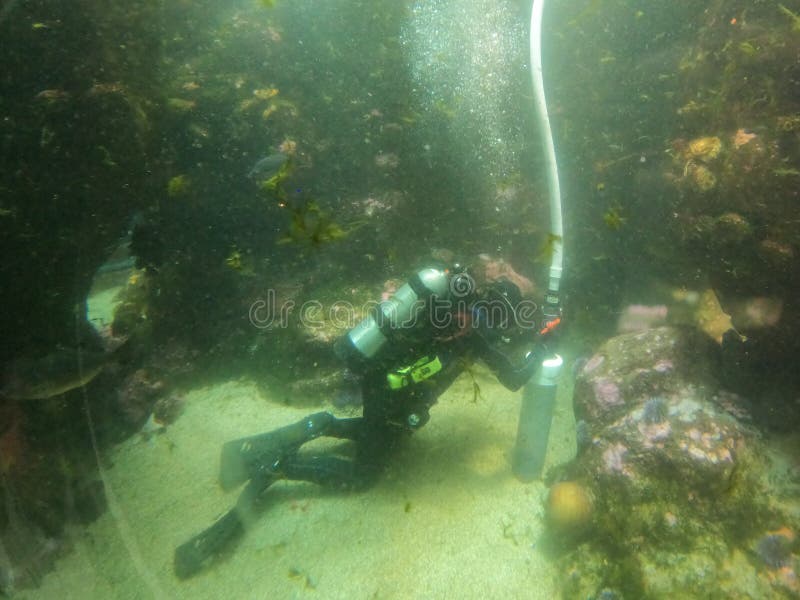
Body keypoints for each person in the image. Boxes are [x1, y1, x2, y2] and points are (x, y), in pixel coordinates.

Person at [174, 261, 557, 578]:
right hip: (391, 397)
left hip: (379, 380)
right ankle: (278, 467)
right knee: (365, 477)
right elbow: (512, 379)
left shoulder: (447, 303)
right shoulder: (475, 333)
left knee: (387, 436)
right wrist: (541, 348)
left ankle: (323, 424)